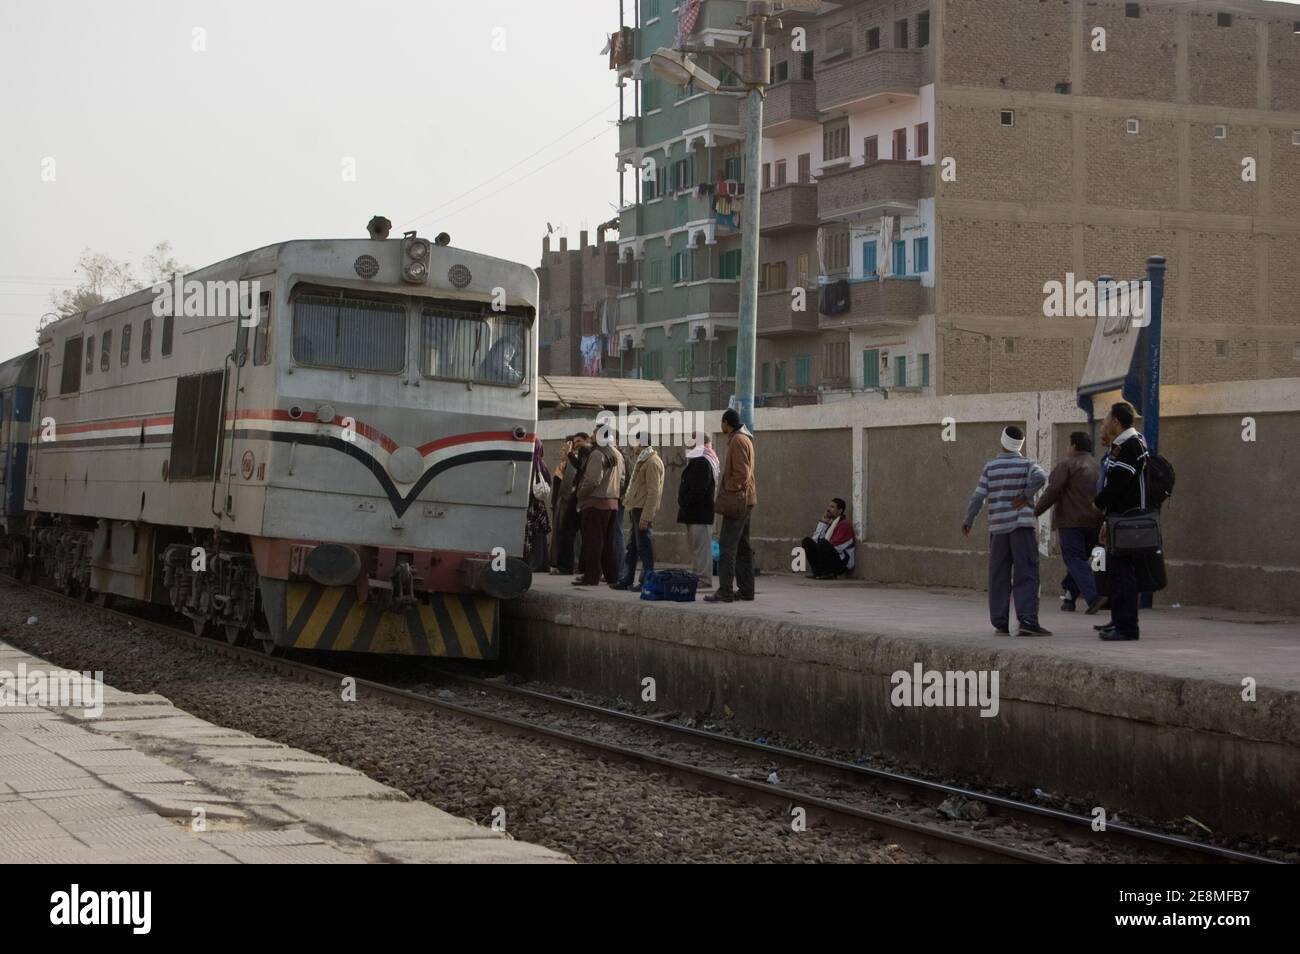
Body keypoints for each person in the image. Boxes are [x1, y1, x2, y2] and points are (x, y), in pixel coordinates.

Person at [962, 425, 1051, 636]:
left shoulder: (990, 467)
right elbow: (1041, 477)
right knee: (1026, 572)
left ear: (1003, 441)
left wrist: (969, 519)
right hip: (1022, 527)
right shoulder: (1027, 464)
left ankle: (1000, 621)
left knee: (998, 575)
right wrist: (1027, 495)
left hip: (999, 529)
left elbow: (978, 497)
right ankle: (1027, 620)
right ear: (1020, 445)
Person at [1033, 431, 1105, 613]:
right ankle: (1069, 597)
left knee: (1074, 559)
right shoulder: (1099, 466)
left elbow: (1053, 491)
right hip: (1095, 522)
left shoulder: (1067, 465)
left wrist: (1035, 511)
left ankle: (1094, 596)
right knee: (1080, 560)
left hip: (1071, 522)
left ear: (1073, 446)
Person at [1094, 402, 1148, 641]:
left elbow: (1118, 483)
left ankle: (1127, 627)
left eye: (1107, 418)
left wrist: (1099, 503)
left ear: (1116, 421)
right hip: (1119, 518)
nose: (1104, 423)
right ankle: (1118, 620)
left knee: (1124, 573)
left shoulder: (1130, 445)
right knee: (1117, 572)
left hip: (1127, 519)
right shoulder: (1126, 444)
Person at [705, 409, 756, 604]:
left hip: (738, 502)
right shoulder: (744, 439)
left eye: (722, 422)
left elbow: (742, 474)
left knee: (727, 546)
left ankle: (725, 590)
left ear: (727, 423)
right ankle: (746, 590)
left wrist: (729, 490)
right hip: (746, 500)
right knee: (743, 547)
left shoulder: (737, 441)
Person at [614, 431, 664, 590]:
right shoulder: (642, 460)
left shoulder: (652, 462)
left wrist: (646, 517)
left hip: (642, 510)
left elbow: (653, 492)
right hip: (635, 507)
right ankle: (626, 579)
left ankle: (646, 582)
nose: (632, 446)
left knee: (645, 548)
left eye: (634, 442)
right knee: (633, 548)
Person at [573, 429, 625, 586]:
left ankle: (591, 576)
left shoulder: (597, 454)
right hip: (612, 503)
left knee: (593, 543)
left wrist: (580, 494)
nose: (591, 436)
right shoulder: (618, 454)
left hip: (595, 503)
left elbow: (592, 480)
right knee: (609, 543)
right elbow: (622, 479)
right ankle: (612, 576)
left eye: (594, 433)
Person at [678, 434, 717, 588]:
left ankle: (704, 579)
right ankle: (698, 576)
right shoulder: (698, 461)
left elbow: (699, 488)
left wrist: (685, 501)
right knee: (696, 548)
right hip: (695, 513)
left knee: (701, 549)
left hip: (699, 513)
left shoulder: (703, 462)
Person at [549, 433, 587, 575]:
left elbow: (569, 485)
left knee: (570, 534)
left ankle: (570, 563)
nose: (563, 450)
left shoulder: (574, 461)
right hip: (562, 503)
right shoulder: (564, 463)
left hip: (568, 502)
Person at [802, 498, 856, 580]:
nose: (828, 509)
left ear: (840, 510)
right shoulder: (831, 524)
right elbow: (815, 540)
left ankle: (830, 573)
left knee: (823, 543)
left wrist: (822, 543)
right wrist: (823, 523)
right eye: (828, 506)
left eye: (832, 507)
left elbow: (837, 546)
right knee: (807, 542)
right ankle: (818, 572)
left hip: (842, 563)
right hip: (830, 558)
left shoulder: (844, 525)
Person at [524, 440, 551, 572]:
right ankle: (542, 563)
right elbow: (549, 480)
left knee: (532, 534)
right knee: (540, 534)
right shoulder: (542, 464)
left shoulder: (529, 463)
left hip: (530, 504)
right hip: (539, 505)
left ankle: (534, 563)